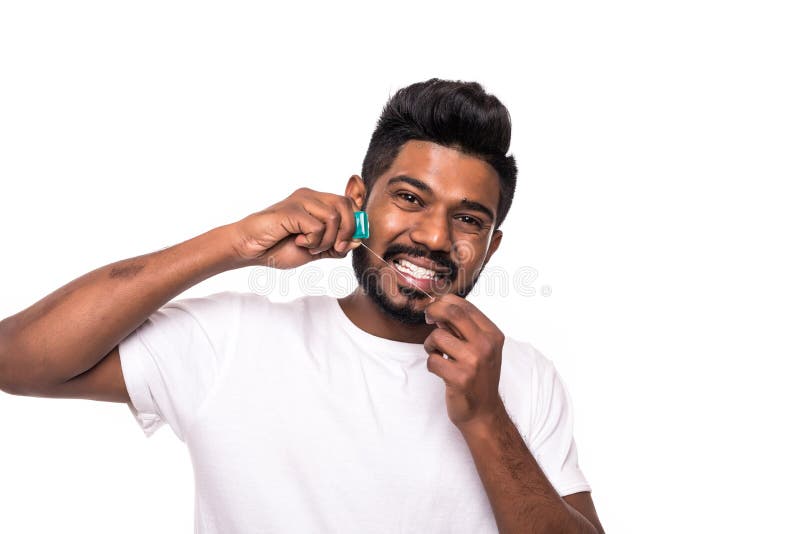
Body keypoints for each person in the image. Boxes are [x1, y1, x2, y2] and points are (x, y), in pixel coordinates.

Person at [0, 78, 604, 533]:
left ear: (490, 248)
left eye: (468, 219)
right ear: (358, 201)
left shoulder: (523, 379)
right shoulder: (235, 340)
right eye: (410, 198)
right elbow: (17, 359)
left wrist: (484, 418)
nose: (434, 237)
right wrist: (234, 243)